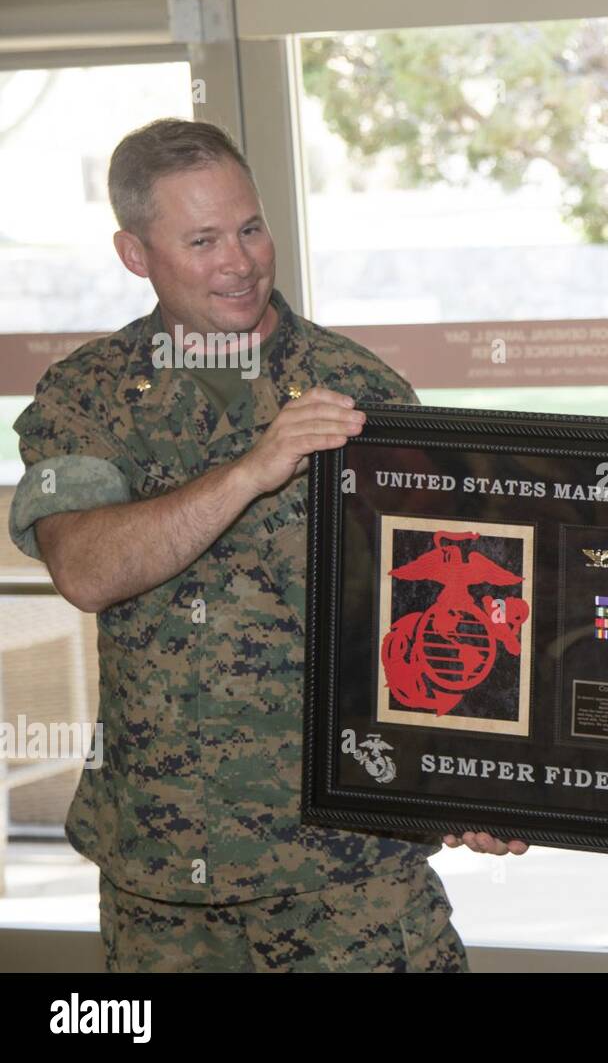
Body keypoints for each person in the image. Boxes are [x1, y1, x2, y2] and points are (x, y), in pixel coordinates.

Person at [8, 118, 523, 972]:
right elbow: (87, 569)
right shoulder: (89, 395)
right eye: (202, 239)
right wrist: (252, 469)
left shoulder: (359, 388)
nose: (240, 262)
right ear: (135, 253)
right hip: (166, 884)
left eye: (250, 228)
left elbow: (441, 601)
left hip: (350, 872)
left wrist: (479, 777)